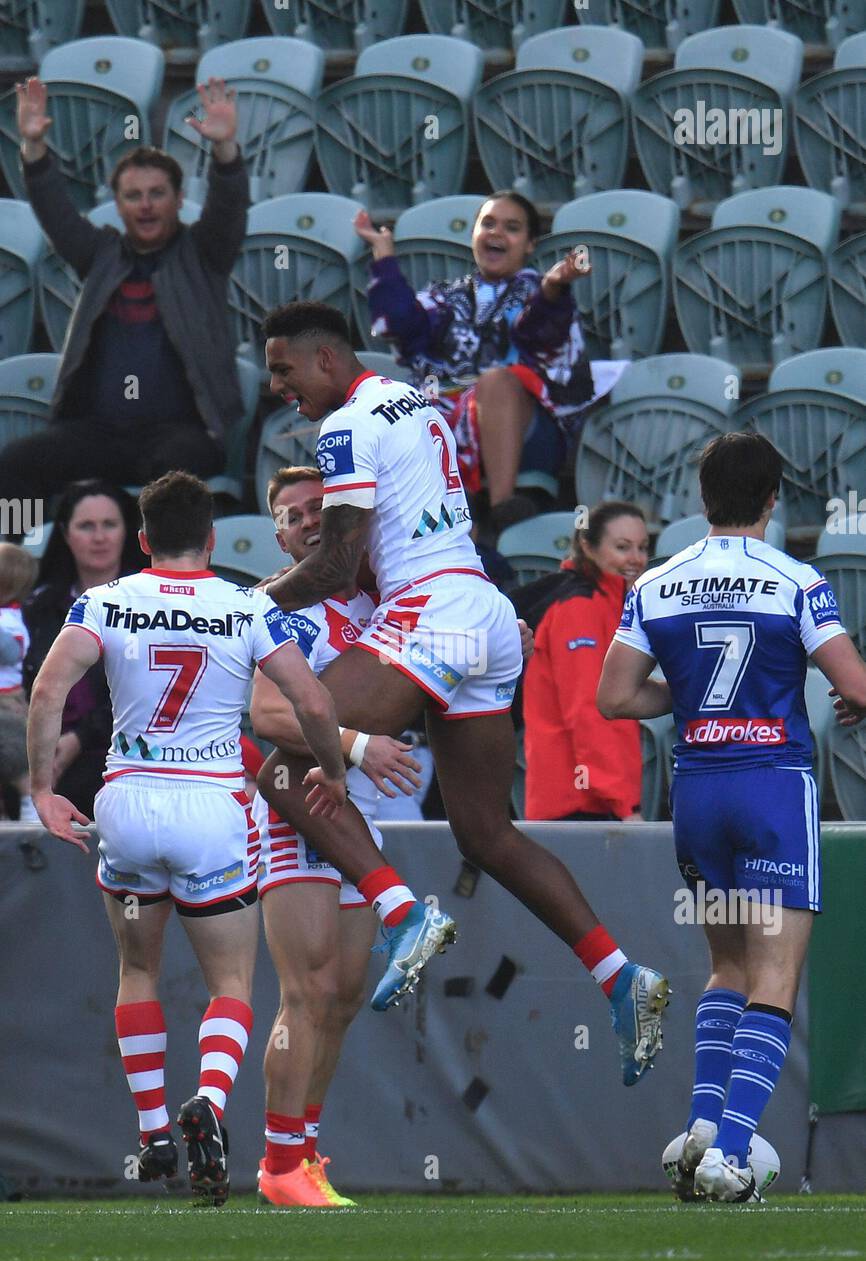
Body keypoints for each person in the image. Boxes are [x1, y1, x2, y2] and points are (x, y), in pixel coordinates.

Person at [257, 300, 670, 1087]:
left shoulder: (344, 426)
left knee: (279, 754)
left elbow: (341, 566)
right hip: (480, 606)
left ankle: (403, 911)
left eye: (284, 369)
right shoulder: (419, 400)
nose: (279, 386)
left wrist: (243, 607)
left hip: (433, 614)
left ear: (325, 359)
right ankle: (621, 976)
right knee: (485, 830)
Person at [26, 471, 349, 1206]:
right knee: (229, 983)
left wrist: (42, 790)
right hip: (211, 810)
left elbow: (47, 691)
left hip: (129, 804)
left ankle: (151, 1138)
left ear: (141, 540)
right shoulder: (243, 605)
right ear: (211, 540)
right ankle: (206, 1098)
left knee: (138, 972)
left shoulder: (106, 601)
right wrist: (332, 770)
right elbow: (310, 699)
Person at [597, 431, 866, 1200]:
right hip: (772, 786)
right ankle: (733, 1156)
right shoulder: (796, 580)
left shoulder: (657, 582)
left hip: (700, 792)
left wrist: (687, 703)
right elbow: (855, 684)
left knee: (727, 968)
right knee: (775, 978)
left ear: (700, 499)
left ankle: (700, 1134)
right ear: (775, 500)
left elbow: (614, 698)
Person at [250, 465, 424, 1206]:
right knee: (306, 990)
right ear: (280, 535)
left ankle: (305, 1153)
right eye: (293, 515)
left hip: (357, 812)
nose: (310, 521)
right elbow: (269, 717)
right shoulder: (277, 607)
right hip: (297, 808)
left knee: (346, 994)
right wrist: (356, 746)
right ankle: (278, 1168)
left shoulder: (377, 597)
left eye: (321, 507)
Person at [0, 76, 249, 538]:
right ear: (117, 205)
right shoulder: (102, 255)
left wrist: (226, 150)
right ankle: (13, 559)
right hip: (99, 433)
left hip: (182, 434)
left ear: (178, 200)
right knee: (14, 465)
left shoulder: (204, 254)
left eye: (158, 194)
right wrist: (33, 148)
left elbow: (229, 208)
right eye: (134, 196)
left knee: (169, 475)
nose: (147, 205)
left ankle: (152, 575)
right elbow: (56, 214)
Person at [354, 191, 623, 539]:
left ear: (529, 245)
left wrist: (554, 288)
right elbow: (396, 325)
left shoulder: (537, 292)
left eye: (511, 228)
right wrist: (384, 254)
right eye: (488, 223)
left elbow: (541, 335)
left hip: (528, 430)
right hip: (449, 421)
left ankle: (501, 509)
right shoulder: (445, 297)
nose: (496, 233)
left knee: (495, 382)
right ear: (474, 235)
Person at [516, 502, 649, 821]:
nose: (636, 559)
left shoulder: (602, 603)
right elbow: (587, 711)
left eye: (643, 548)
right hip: (578, 805)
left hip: (583, 802)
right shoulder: (580, 608)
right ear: (587, 547)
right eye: (622, 547)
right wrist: (623, 804)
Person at [22, 480, 143, 818]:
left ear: (126, 531)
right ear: (65, 533)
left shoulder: (152, 606)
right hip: (43, 743)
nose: (99, 537)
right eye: (86, 526)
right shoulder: (38, 608)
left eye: (109, 524)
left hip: (127, 749)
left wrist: (79, 737)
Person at [0, 542, 39, 820]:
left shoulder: (10, 619)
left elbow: (12, 651)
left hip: (6, 702)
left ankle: (31, 813)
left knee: (19, 765)